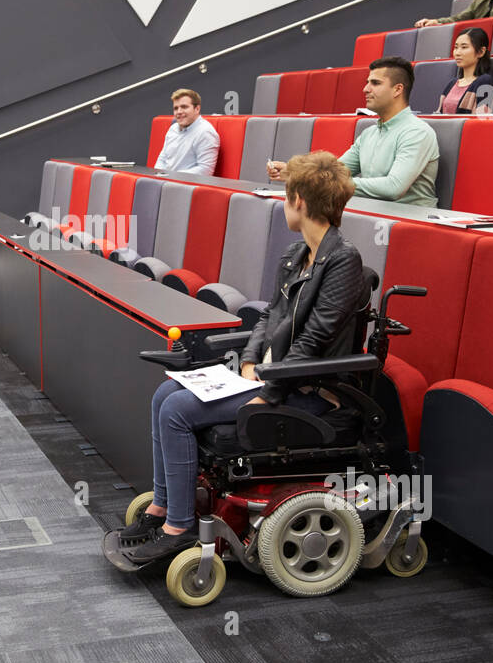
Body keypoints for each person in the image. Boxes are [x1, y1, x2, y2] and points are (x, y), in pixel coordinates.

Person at [120, 152, 365, 561]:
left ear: (299, 200)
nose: (284, 204)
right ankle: (161, 507)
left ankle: (178, 528)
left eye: (287, 197)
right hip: (272, 374)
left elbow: (316, 338)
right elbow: (269, 315)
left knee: (177, 410)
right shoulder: (296, 254)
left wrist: (267, 390)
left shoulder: (343, 261)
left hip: (307, 389)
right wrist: (250, 362)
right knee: (165, 395)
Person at [267, 59, 439, 206]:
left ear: (397, 89)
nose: (365, 89)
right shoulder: (369, 133)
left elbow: (393, 187)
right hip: (374, 215)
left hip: (411, 222)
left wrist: (326, 182)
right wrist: (296, 173)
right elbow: (337, 170)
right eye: (367, 82)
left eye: (375, 83)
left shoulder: (417, 132)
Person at [153, 88, 220, 175]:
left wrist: (171, 177)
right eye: (176, 108)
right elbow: (162, 159)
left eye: (184, 107)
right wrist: (157, 177)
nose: (179, 112)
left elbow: (205, 170)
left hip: (187, 186)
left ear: (197, 109)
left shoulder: (205, 132)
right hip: (167, 182)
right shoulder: (172, 129)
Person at [437, 27, 493, 113]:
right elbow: (438, 114)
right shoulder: (452, 83)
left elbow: (483, 119)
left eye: (464, 47)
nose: (457, 53)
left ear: (481, 52)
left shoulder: (486, 81)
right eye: (456, 47)